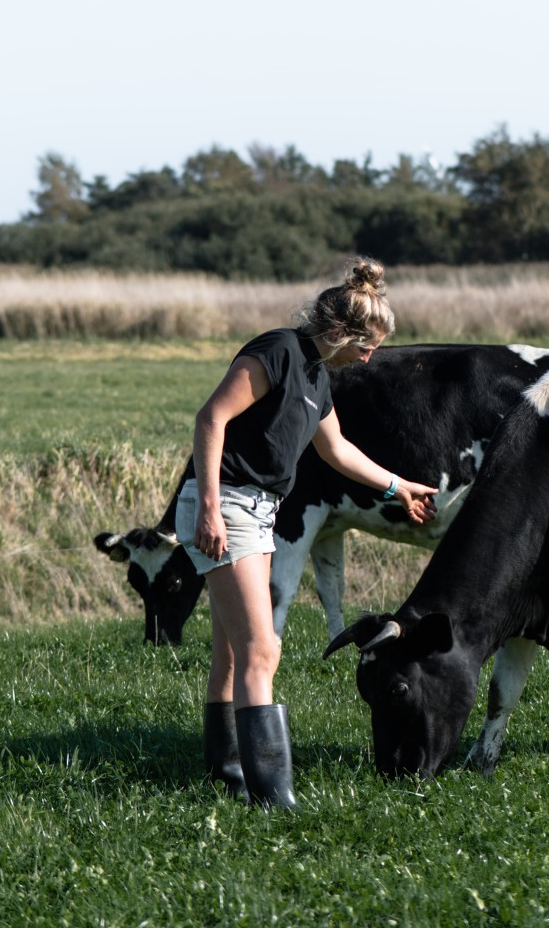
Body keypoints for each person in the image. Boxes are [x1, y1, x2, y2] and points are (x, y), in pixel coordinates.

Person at [179, 258, 438, 809]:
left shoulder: (319, 378)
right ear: (342, 331)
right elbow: (211, 419)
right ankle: (272, 797)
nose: (370, 356)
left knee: (231, 651)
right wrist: (208, 508)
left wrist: (400, 487)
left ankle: (228, 775)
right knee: (262, 649)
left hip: (257, 511)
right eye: (367, 344)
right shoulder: (277, 352)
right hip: (227, 505)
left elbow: (337, 450)